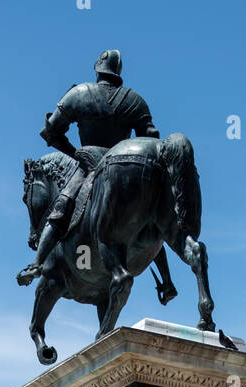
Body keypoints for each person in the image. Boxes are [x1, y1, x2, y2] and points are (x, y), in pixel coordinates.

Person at [17, 50, 177, 300]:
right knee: (148, 218)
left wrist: (73, 152)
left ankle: (37, 263)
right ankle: (167, 281)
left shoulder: (79, 93)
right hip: (123, 168)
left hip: (90, 164)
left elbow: (49, 132)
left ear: (98, 68)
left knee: (61, 207)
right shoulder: (135, 100)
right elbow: (151, 138)